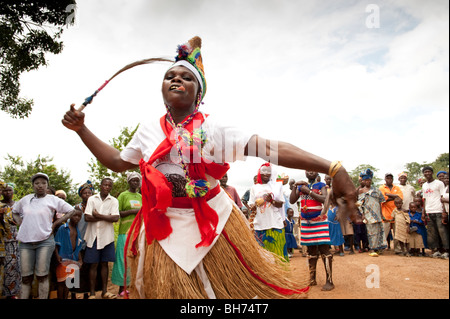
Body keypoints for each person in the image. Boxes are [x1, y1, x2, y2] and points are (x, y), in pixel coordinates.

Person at [62, 36, 357, 299]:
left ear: (198, 92)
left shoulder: (215, 127)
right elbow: (117, 162)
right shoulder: (149, 128)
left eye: (186, 78)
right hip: (162, 226)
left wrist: (333, 168)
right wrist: (81, 130)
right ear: (162, 88)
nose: (176, 80)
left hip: (213, 224)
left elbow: (268, 147)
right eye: (169, 76)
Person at [11, 173, 75, 299]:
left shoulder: (53, 199)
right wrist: (20, 223)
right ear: (33, 185)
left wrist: (55, 223)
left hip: (45, 241)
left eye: (43, 183)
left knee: (42, 275)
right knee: (26, 276)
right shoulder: (25, 199)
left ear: (47, 185)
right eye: (37, 183)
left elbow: (71, 210)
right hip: (25, 242)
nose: (40, 186)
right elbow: (14, 212)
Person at [290, 171, 334, 291]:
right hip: (306, 222)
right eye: (308, 170)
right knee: (311, 250)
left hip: (319, 221)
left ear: (317, 172)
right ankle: (312, 278)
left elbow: (324, 199)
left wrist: (308, 192)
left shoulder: (321, 185)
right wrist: (295, 187)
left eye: (313, 170)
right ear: (305, 172)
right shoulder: (301, 185)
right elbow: (292, 200)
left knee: (325, 250)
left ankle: (329, 281)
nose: (310, 172)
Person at [83, 177, 119, 299]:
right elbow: (87, 217)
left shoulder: (113, 201)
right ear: (100, 186)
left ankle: (104, 291)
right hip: (93, 236)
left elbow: (115, 218)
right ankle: (92, 293)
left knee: (104, 264)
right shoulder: (92, 199)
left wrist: (97, 215)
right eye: (105, 185)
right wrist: (105, 217)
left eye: (109, 186)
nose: (107, 187)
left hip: (106, 237)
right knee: (93, 265)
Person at [111, 172, 142, 297]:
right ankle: (121, 287)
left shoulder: (140, 196)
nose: (135, 183)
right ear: (128, 182)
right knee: (123, 259)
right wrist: (134, 211)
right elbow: (117, 213)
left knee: (136, 259)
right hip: (125, 232)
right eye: (133, 181)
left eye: (137, 181)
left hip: (138, 232)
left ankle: (133, 285)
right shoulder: (123, 195)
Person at [248, 163, 288, 261]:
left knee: (278, 254)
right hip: (260, 226)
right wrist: (253, 206)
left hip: (275, 224)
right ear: (259, 173)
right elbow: (251, 205)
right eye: (263, 171)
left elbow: (281, 204)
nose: (266, 173)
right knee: (262, 257)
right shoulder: (254, 188)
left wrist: (271, 201)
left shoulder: (276, 186)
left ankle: (281, 275)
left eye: (268, 171)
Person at [54, 208, 83, 299]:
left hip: (72, 259)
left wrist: (80, 259)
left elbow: (78, 246)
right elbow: (56, 243)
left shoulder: (77, 230)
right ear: (70, 216)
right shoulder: (63, 228)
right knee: (61, 283)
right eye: (75, 215)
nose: (77, 218)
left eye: (79, 216)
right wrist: (57, 256)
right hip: (63, 258)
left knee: (68, 283)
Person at [357, 169, 387, 257]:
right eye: (365, 180)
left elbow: (380, 202)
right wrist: (362, 215)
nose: (367, 182)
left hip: (377, 213)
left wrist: (381, 214)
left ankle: (378, 248)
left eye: (369, 180)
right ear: (363, 181)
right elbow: (359, 205)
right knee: (370, 232)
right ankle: (372, 248)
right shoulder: (361, 191)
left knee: (378, 231)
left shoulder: (377, 190)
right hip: (368, 214)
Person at [421, 166, 448, 259]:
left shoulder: (439, 183)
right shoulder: (424, 185)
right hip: (429, 211)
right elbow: (424, 199)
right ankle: (436, 251)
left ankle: (446, 250)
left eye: (429, 172)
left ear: (432, 173)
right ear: (423, 174)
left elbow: (442, 197)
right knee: (432, 232)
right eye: (425, 172)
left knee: (442, 232)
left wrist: (444, 211)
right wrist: (423, 212)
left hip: (439, 210)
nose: (427, 173)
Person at [0, 182, 21, 298]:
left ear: (13, 192)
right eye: (5, 190)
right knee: (3, 266)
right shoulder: (0, 205)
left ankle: (12, 293)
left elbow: (20, 222)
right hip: (2, 240)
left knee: (13, 266)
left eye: (10, 190)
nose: (7, 192)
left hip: (13, 239)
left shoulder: (17, 205)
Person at [379, 173, 403, 252]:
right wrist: (394, 196)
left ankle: (397, 249)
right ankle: (381, 249)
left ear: (393, 179)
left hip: (397, 214)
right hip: (385, 214)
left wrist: (388, 195)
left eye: (391, 178)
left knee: (397, 233)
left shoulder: (397, 187)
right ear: (385, 179)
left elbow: (400, 198)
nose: (389, 179)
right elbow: (382, 199)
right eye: (387, 178)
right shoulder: (381, 188)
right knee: (384, 233)